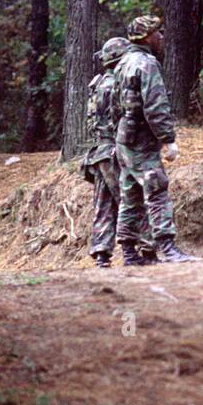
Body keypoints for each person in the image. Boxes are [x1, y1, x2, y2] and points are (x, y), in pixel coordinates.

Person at [112, 15, 197, 264]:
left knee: (130, 196)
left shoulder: (122, 63)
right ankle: (168, 248)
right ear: (147, 37)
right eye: (157, 32)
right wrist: (168, 139)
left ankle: (130, 254)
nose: (161, 37)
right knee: (156, 191)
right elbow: (155, 105)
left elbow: (114, 104)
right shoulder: (146, 64)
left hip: (124, 139)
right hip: (141, 141)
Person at [82, 37, 157, 268]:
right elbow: (127, 115)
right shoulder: (117, 82)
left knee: (103, 205)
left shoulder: (97, 82)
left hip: (98, 151)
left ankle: (102, 254)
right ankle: (143, 251)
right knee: (132, 200)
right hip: (115, 149)